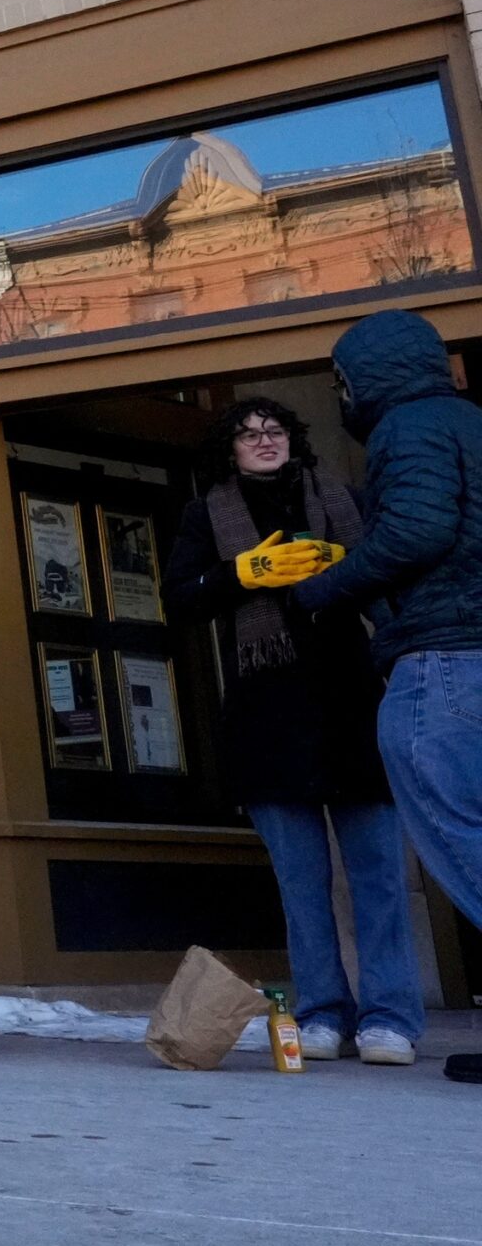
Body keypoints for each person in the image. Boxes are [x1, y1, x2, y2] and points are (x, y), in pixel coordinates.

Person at [161, 397, 422, 1065]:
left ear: (294, 438)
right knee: (301, 881)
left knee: (379, 874)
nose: (264, 440)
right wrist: (240, 573)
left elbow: (396, 581)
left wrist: (350, 565)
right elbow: (181, 597)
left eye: (274, 429)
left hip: (352, 701)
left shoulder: (342, 496)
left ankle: (390, 1016)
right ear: (230, 449)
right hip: (267, 711)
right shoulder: (205, 514)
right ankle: (322, 1013)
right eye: (248, 434)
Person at [290, 310, 482, 1087]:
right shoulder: (465, 420)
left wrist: (325, 587)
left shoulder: (407, 428)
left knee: (457, 828)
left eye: (341, 379)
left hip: (442, 655)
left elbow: (417, 529)